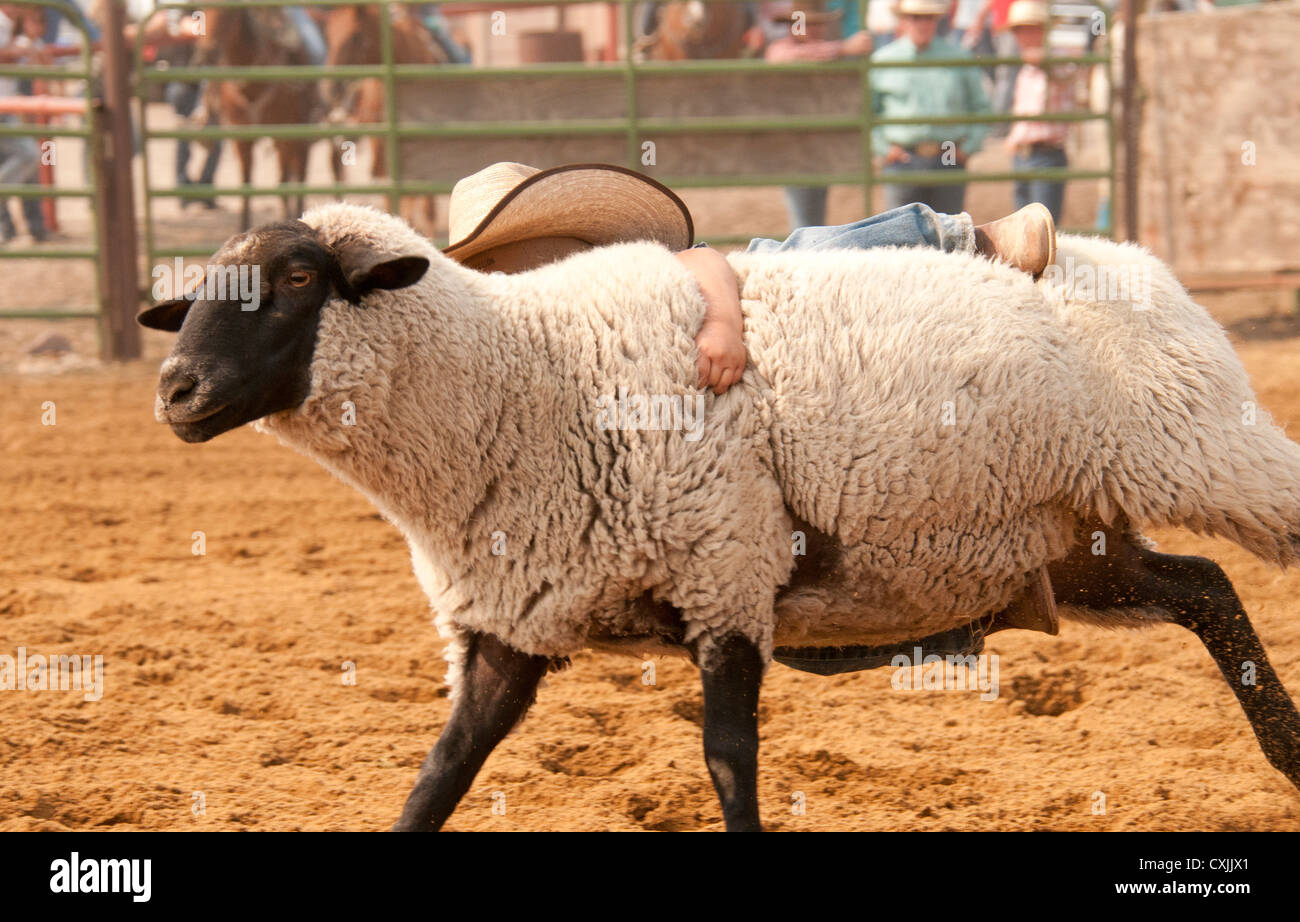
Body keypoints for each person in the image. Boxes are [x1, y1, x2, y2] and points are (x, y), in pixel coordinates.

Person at [443, 160, 1059, 633]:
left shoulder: (624, 278)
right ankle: (981, 601)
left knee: (787, 263)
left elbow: (696, 260)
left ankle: (959, 239)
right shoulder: (528, 370)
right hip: (714, 458)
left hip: (746, 356)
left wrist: (721, 326)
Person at [871, 0, 991, 213]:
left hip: (948, 152)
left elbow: (981, 106)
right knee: (901, 235)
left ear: (936, 21)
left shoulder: (959, 58)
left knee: (949, 235)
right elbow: (868, 112)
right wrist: (885, 148)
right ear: (904, 20)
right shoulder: (883, 60)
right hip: (903, 156)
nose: (922, 24)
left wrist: (968, 147)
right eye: (916, 17)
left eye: (928, 17)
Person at [765, 2, 875, 230]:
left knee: (812, 218)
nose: (816, 30)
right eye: (809, 24)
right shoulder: (780, 49)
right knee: (805, 221)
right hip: (796, 149)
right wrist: (844, 48)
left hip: (818, 149)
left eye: (819, 24)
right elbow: (784, 57)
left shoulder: (825, 54)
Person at [1003, 0, 1076, 222]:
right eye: (1020, 30)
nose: (1025, 36)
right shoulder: (1026, 67)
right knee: (1023, 227)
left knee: (1042, 228)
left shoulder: (1057, 57)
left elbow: (1066, 72)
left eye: (1031, 28)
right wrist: (1014, 138)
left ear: (1044, 29)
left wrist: (1046, 60)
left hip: (1047, 154)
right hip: (1023, 155)